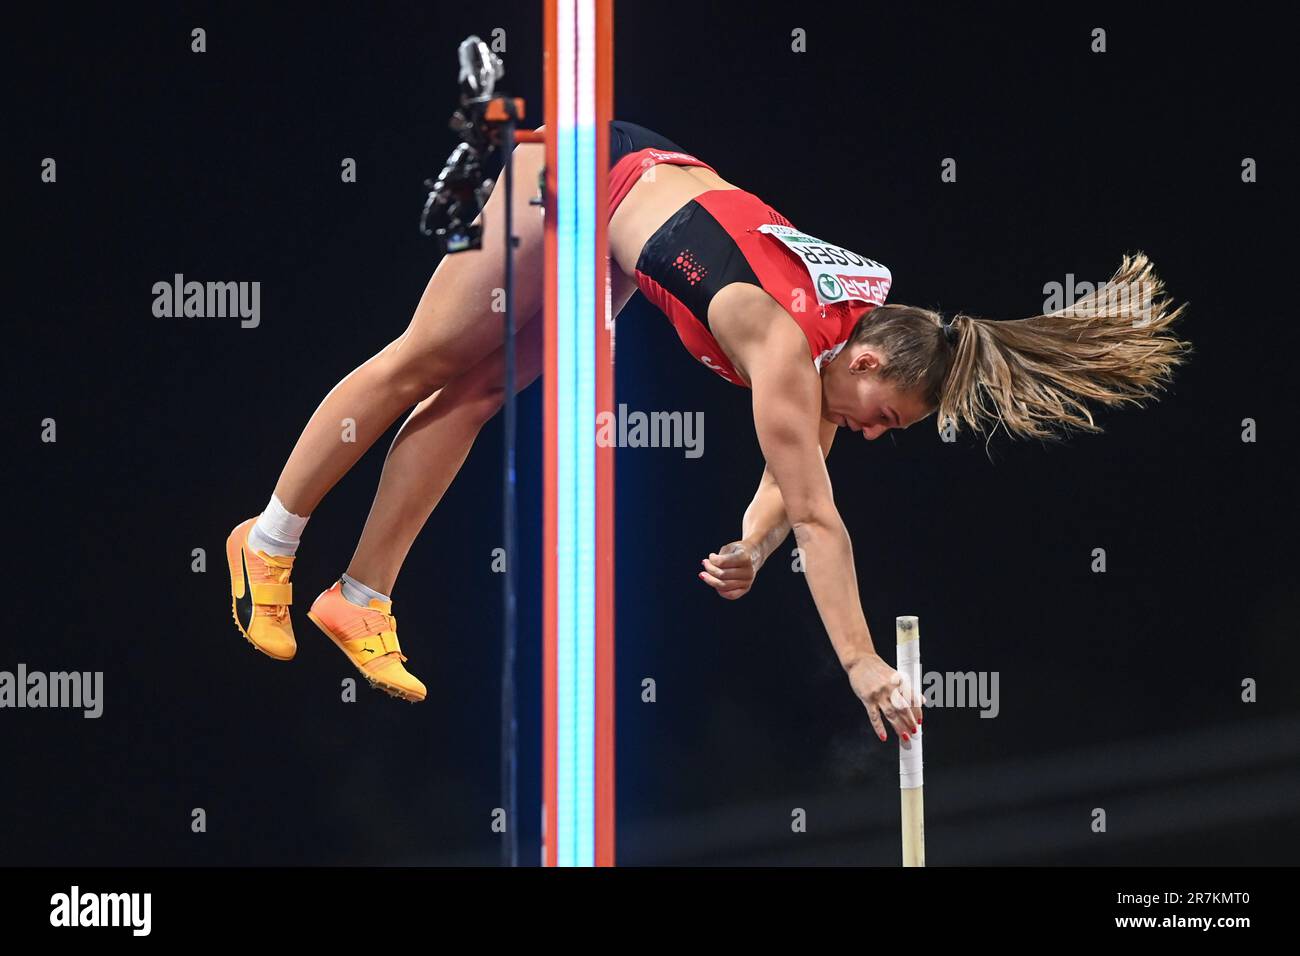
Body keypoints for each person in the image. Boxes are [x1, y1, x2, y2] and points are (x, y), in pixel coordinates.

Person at [226, 120, 1190, 742]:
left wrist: (751, 545)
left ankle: (360, 595)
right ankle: (267, 542)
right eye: (887, 417)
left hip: (623, 238)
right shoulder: (782, 343)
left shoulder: (861, 323)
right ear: (862, 365)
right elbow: (819, 512)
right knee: (424, 360)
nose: (876, 434)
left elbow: (793, 481)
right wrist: (861, 667)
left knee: (475, 399)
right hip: (574, 175)